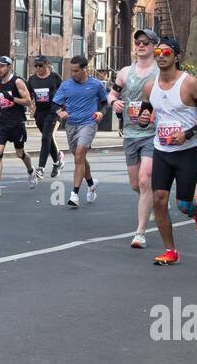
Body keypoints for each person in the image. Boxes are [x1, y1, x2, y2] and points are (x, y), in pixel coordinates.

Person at [135, 37, 197, 264]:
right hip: (161, 150)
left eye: (166, 52)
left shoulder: (189, 84)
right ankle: (170, 250)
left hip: (187, 151)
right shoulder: (149, 86)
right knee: (159, 199)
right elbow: (145, 115)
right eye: (157, 52)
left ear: (176, 56)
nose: (160, 55)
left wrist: (188, 134)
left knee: (184, 205)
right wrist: (142, 119)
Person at [107, 28, 160, 248]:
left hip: (152, 133)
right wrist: (113, 103)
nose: (141, 46)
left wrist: (155, 112)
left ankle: (140, 233)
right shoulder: (125, 72)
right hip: (130, 132)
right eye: (138, 42)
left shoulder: (160, 71)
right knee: (135, 184)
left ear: (154, 47)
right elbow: (112, 93)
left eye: (146, 43)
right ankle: (155, 201)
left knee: (145, 179)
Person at [52, 55, 108, 207]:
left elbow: (105, 103)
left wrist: (101, 112)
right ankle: (91, 185)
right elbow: (55, 104)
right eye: (71, 70)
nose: (73, 73)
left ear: (85, 69)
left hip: (89, 124)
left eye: (76, 71)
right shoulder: (66, 85)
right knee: (80, 158)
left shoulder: (96, 85)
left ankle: (74, 194)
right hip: (71, 125)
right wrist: (60, 112)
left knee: (78, 156)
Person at [0, 55, 36, 196]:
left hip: (16, 122)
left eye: (2, 66)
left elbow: (27, 101)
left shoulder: (18, 82)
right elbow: (3, 101)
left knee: (19, 153)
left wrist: (12, 98)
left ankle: (31, 171)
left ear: (9, 66)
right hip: (2, 121)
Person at [28, 56, 65, 179]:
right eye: (36, 66)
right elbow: (28, 96)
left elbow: (65, 92)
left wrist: (63, 108)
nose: (38, 68)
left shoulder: (55, 77)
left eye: (40, 65)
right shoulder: (32, 79)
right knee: (47, 139)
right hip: (40, 113)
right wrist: (29, 106)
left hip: (53, 111)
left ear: (46, 64)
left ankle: (41, 168)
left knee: (45, 138)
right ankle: (57, 162)